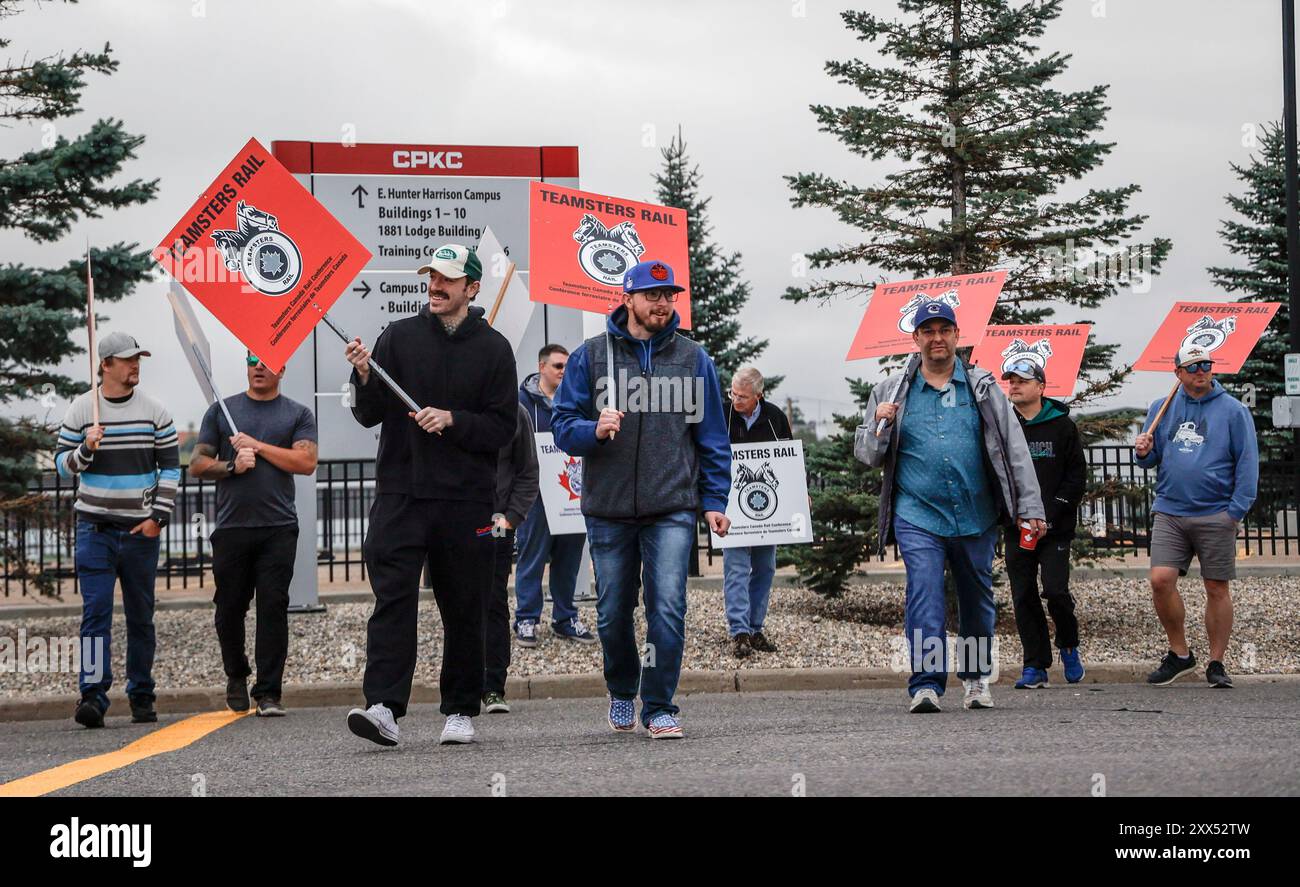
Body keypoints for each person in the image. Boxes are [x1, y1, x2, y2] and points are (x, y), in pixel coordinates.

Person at [343, 244, 517, 747]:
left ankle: (461, 709)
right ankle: (383, 708)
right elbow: (369, 411)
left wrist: (454, 420)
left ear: (471, 288)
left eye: (447, 279)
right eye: (431, 277)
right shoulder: (396, 336)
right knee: (392, 600)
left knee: (465, 604)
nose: (436, 286)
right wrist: (361, 374)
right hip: (400, 493)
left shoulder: (495, 348)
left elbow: (503, 426)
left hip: (465, 500)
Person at [552, 259, 732, 739]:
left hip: (671, 507)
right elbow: (562, 426)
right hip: (608, 510)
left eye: (668, 295)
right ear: (628, 298)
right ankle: (620, 687)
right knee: (612, 612)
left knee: (668, 606)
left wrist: (714, 499)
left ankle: (658, 705)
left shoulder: (694, 360)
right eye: (652, 295)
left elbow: (712, 437)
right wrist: (594, 430)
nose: (662, 303)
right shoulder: (590, 357)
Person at [855, 302, 1045, 714]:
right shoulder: (890, 392)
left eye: (944, 329)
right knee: (924, 592)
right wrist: (878, 426)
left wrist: (1031, 507)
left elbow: (1014, 449)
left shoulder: (982, 388)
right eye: (928, 330)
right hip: (917, 513)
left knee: (976, 597)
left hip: (974, 514)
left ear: (957, 336)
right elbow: (868, 455)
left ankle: (976, 680)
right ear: (916, 338)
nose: (936, 337)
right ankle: (926, 684)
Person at [54, 332, 179, 728]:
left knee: (142, 616)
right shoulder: (81, 411)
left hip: (140, 533)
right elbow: (61, 466)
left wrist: (157, 519)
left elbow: (172, 469)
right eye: (126, 360)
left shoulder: (155, 412)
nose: (135, 365)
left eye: (138, 358)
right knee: (95, 615)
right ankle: (92, 696)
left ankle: (142, 695)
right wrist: (86, 449)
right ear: (105, 364)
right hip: (94, 530)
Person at [189, 353, 318, 717]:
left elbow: (306, 463)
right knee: (229, 608)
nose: (259, 366)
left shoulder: (297, 414)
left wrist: (258, 447)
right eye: (252, 360)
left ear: (282, 368)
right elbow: (197, 464)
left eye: (267, 360)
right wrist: (233, 465)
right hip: (232, 528)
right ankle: (236, 673)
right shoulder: (221, 411)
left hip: (278, 527)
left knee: (273, 607)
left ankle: (269, 693)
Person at [1134, 344, 1258, 689]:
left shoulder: (1234, 411)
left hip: (1216, 513)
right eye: (1192, 366)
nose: (1201, 370)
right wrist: (1143, 451)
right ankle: (1180, 654)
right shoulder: (1162, 408)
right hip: (1171, 510)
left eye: (1206, 364)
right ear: (1179, 373)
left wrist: (1235, 511)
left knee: (1216, 587)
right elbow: (1150, 458)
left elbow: (1248, 462)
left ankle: (1216, 662)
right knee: (1161, 579)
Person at [1000, 360, 1087, 689]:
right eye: (1011, 381)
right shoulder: (1006, 425)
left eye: (1022, 380)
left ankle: (1068, 644)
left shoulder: (1062, 426)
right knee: (1023, 595)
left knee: (1054, 591)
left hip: (1055, 527)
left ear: (1041, 387)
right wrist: (1014, 514)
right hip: (1018, 526)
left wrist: (1052, 514)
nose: (1015, 386)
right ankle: (1035, 665)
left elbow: (1076, 476)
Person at [515, 344, 593, 646]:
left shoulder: (576, 399)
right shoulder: (521, 403)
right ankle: (526, 619)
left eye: (567, 366)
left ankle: (565, 617)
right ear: (542, 366)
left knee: (569, 558)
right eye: (558, 366)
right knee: (531, 557)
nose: (564, 371)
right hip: (535, 495)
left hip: (570, 494)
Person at [722, 366, 793, 658]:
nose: (735, 400)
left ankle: (755, 627)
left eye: (742, 397)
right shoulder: (722, 415)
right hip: (731, 506)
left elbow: (790, 459)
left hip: (767, 509)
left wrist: (801, 494)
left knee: (765, 567)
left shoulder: (776, 417)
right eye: (733, 393)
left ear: (758, 396)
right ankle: (739, 631)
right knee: (736, 568)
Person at [482, 402, 540, 714]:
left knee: (493, 601)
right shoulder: (448, 405)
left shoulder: (515, 413)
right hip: (451, 521)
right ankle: (460, 689)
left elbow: (528, 470)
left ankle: (492, 686)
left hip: (493, 526)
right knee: (457, 603)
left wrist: (511, 517)